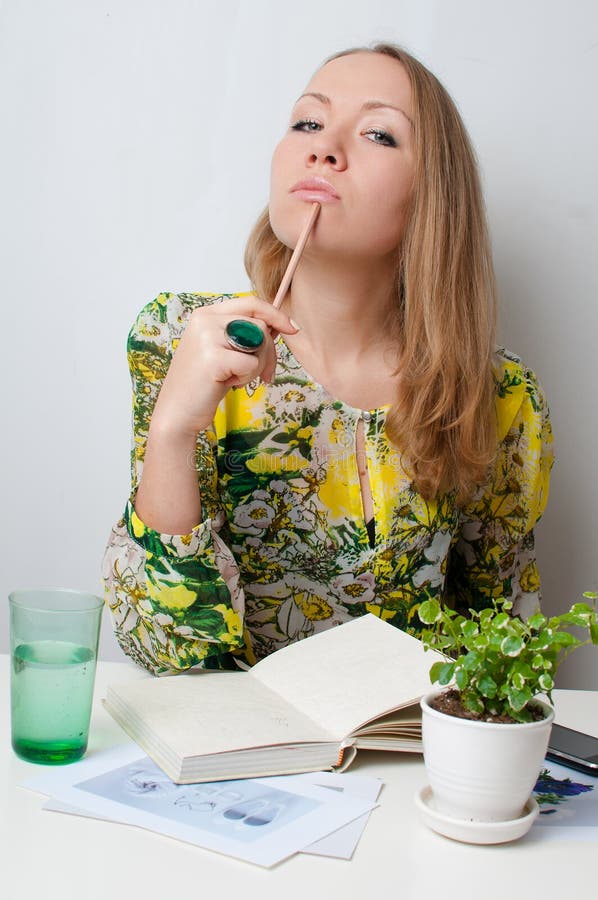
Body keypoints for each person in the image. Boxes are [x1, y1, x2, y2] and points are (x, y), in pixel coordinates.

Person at [102, 43, 554, 675]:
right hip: (233, 763)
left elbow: (499, 654)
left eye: (378, 133)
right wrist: (174, 431)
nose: (324, 148)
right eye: (308, 122)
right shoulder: (184, 337)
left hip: (408, 765)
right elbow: (165, 652)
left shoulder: (499, 395)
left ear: (435, 194)